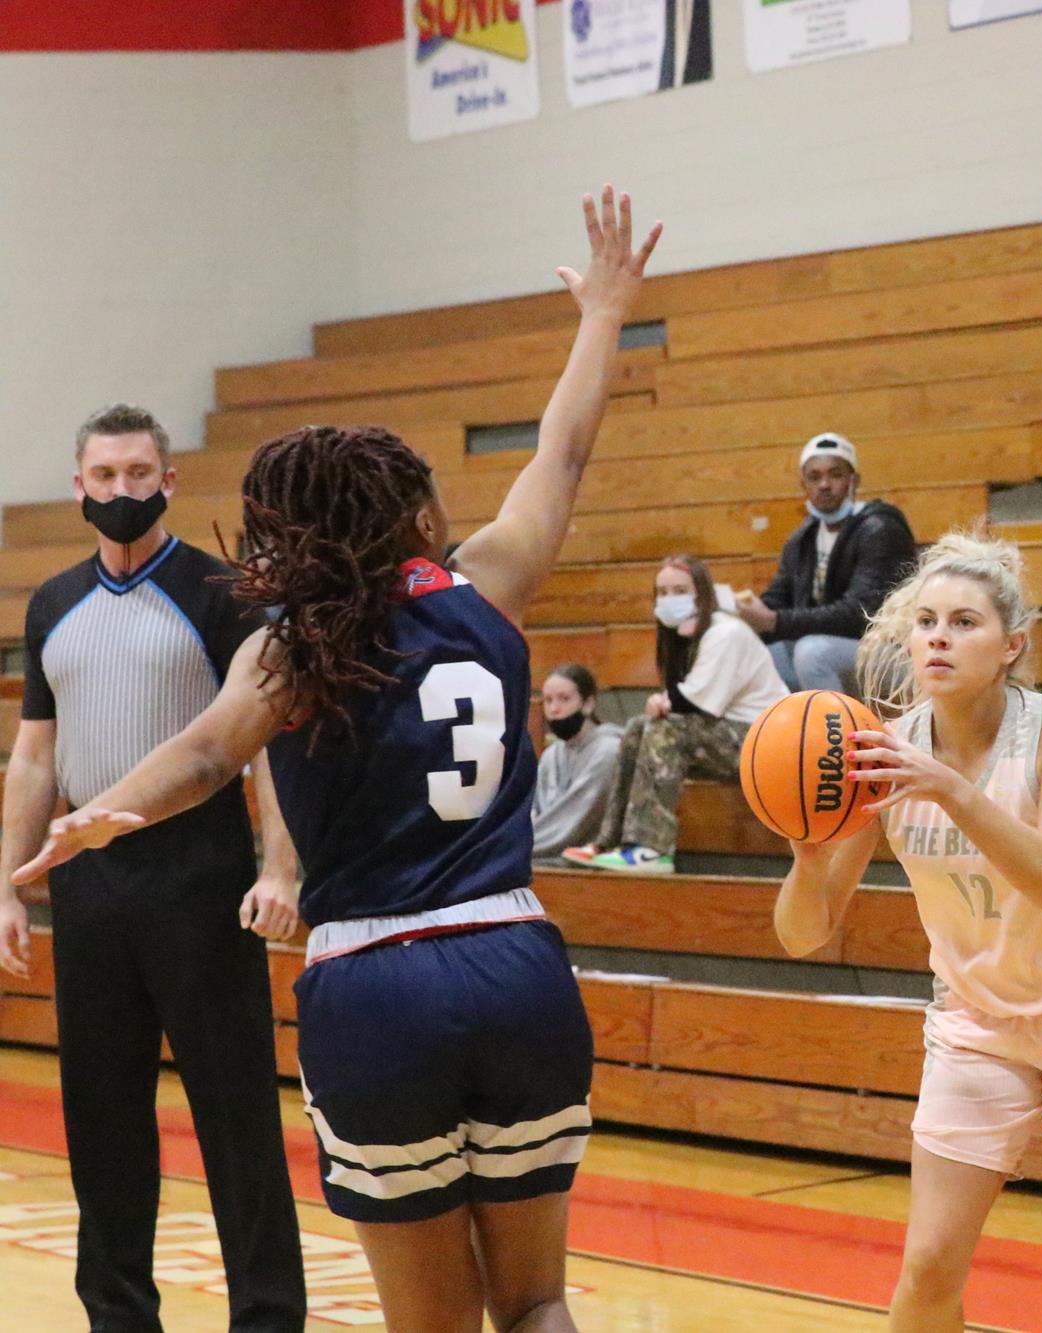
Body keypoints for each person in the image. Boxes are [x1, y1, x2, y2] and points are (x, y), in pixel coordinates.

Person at [14, 185, 663, 1331]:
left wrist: (103, 813)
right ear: (406, 515)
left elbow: (209, 756)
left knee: (435, 1322)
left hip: (376, 984)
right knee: (538, 1304)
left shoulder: (288, 648)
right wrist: (602, 315)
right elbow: (561, 457)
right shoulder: (485, 589)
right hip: (517, 960)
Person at [773, 532, 1042, 1332]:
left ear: (1011, 645)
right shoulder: (881, 755)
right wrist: (810, 861)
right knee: (925, 1270)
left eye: (964, 622)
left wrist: (953, 791)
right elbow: (802, 935)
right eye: (925, 621)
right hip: (979, 1021)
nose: (938, 637)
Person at [0, 403, 307, 1332]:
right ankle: (118, 1315)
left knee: (236, 1112)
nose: (122, 491)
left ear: (168, 482)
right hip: (88, 883)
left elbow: (267, 748)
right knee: (101, 1118)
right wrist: (8, 884)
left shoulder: (227, 592)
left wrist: (279, 869)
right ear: (79, 487)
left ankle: (266, 1315)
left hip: (202, 873)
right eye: (105, 477)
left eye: (139, 475)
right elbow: (33, 759)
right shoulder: (51, 603)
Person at [564, 553, 786, 872]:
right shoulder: (685, 636)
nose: (670, 600)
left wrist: (662, 702)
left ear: (703, 593)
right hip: (731, 735)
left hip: (767, 744)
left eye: (681, 591)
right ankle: (610, 841)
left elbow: (696, 703)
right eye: (663, 593)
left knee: (665, 729)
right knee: (637, 728)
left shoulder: (726, 632)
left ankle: (652, 848)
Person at [736, 432, 916, 692]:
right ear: (804, 486)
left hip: (895, 653)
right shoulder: (802, 539)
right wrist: (745, 614)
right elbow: (778, 598)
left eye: (835, 474)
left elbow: (859, 616)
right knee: (763, 656)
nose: (824, 485)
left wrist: (775, 621)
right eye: (815, 477)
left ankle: (834, 731)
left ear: (854, 481)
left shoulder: (880, 529)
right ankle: (790, 731)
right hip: (839, 650)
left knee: (813, 652)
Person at [531, 664, 623, 860]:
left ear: (588, 704)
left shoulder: (608, 750)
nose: (554, 709)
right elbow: (534, 810)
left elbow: (578, 820)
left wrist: (515, 848)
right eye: (548, 700)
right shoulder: (552, 754)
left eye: (564, 699)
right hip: (544, 852)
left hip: (591, 857)